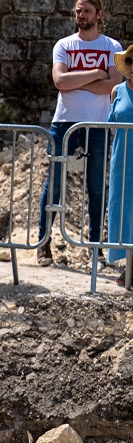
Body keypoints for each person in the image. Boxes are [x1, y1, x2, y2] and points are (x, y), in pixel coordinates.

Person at [36, 0, 123, 267]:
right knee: (54, 186)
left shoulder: (112, 46)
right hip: (64, 122)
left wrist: (78, 79)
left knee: (96, 187)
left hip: (98, 124)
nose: (80, 15)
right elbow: (60, 82)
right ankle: (43, 245)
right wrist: (96, 73)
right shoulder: (64, 45)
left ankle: (95, 248)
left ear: (98, 14)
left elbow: (112, 86)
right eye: (77, 10)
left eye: (86, 10)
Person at [106, 44, 133, 279]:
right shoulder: (117, 91)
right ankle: (128, 265)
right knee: (122, 210)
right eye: (131, 61)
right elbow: (111, 124)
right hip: (123, 158)